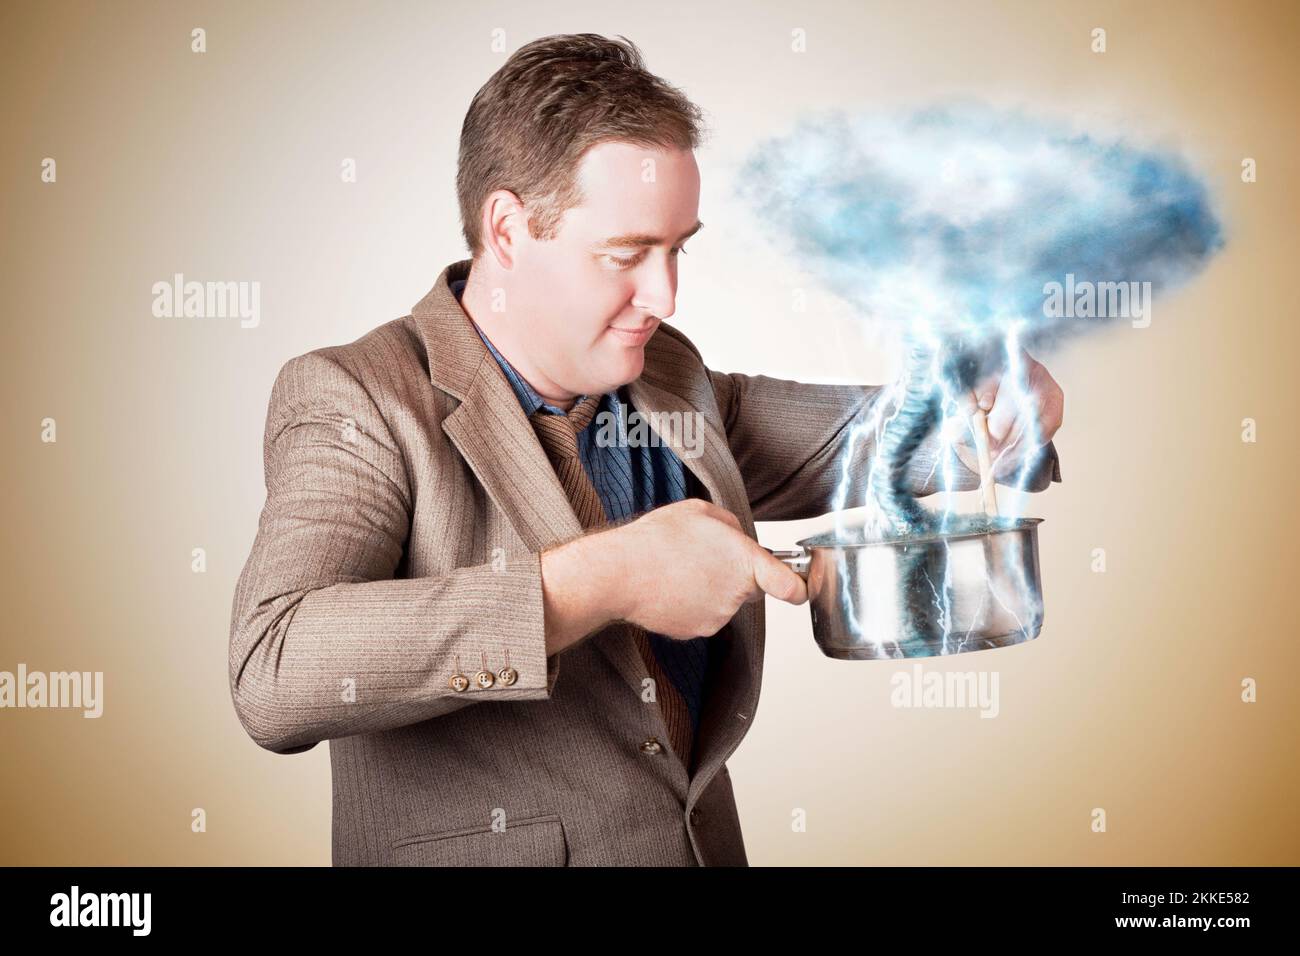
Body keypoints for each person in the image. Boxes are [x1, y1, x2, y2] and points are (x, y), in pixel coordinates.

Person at [228, 33, 1064, 866]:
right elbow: (274, 670)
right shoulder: (358, 397)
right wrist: (610, 577)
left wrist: (987, 399)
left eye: (678, 249)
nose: (663, 296)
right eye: (627, 254)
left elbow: (880, 438)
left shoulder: (669, 375)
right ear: (510, 230)